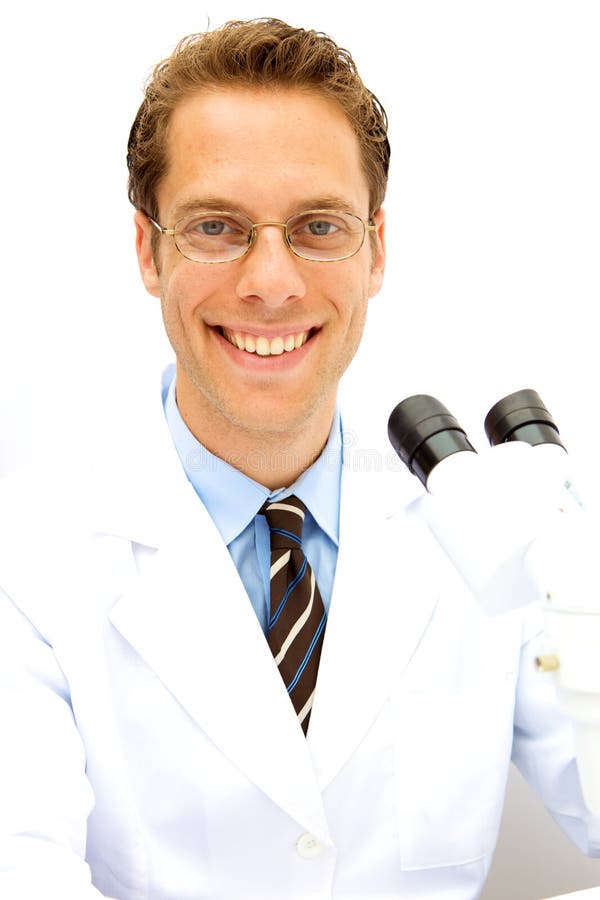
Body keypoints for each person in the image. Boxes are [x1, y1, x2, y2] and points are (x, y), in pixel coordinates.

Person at [0, 17, 598, 900]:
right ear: (147, 249)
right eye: (216, 227)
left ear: (376, 248)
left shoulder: (497, 522)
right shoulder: (32, 556)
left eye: (318, 225)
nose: (271, 282)